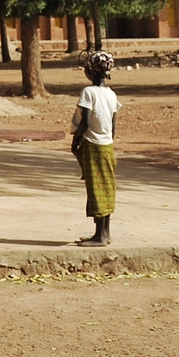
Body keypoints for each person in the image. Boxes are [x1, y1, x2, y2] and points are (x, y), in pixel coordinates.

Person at [71, 51, 119, 246]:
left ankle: (99, 237)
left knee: (95, 188)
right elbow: (114, 125)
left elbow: (86, 122)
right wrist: (109, 139)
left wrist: (75, 141)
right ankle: (104, 233)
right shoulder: (111, 94)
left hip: (92, 146)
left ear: (89, 71)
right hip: (107, 146)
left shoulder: (88, 92)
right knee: (106, 188)